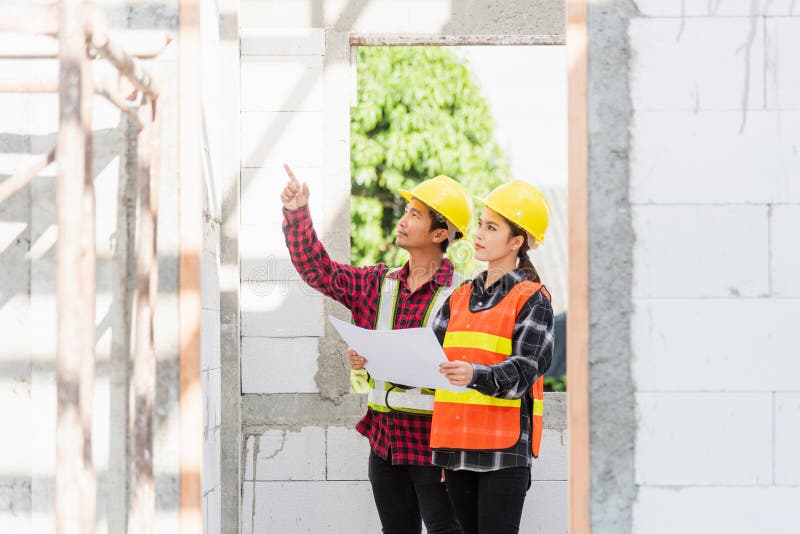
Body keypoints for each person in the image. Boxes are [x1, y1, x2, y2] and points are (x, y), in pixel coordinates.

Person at [280, 164, 471, 534]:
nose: (402, 220)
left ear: (439, 233)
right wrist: (297, 213)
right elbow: (319, 271)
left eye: (415, 215)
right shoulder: (377, 283)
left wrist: (457, 452)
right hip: (386, 443)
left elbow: (470, 377)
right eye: (406, 211)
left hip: (437, 450)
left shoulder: (465, 296)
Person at [428, 180, 555, 534]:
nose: (479, 233)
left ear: (516, 242)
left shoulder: (532, 299)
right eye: (481, 224)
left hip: (502, 451)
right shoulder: (459, 297)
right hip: (456, 447)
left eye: (492, 227)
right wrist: (375, 359)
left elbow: (525, 371)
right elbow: (428, 357)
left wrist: (474, 374)